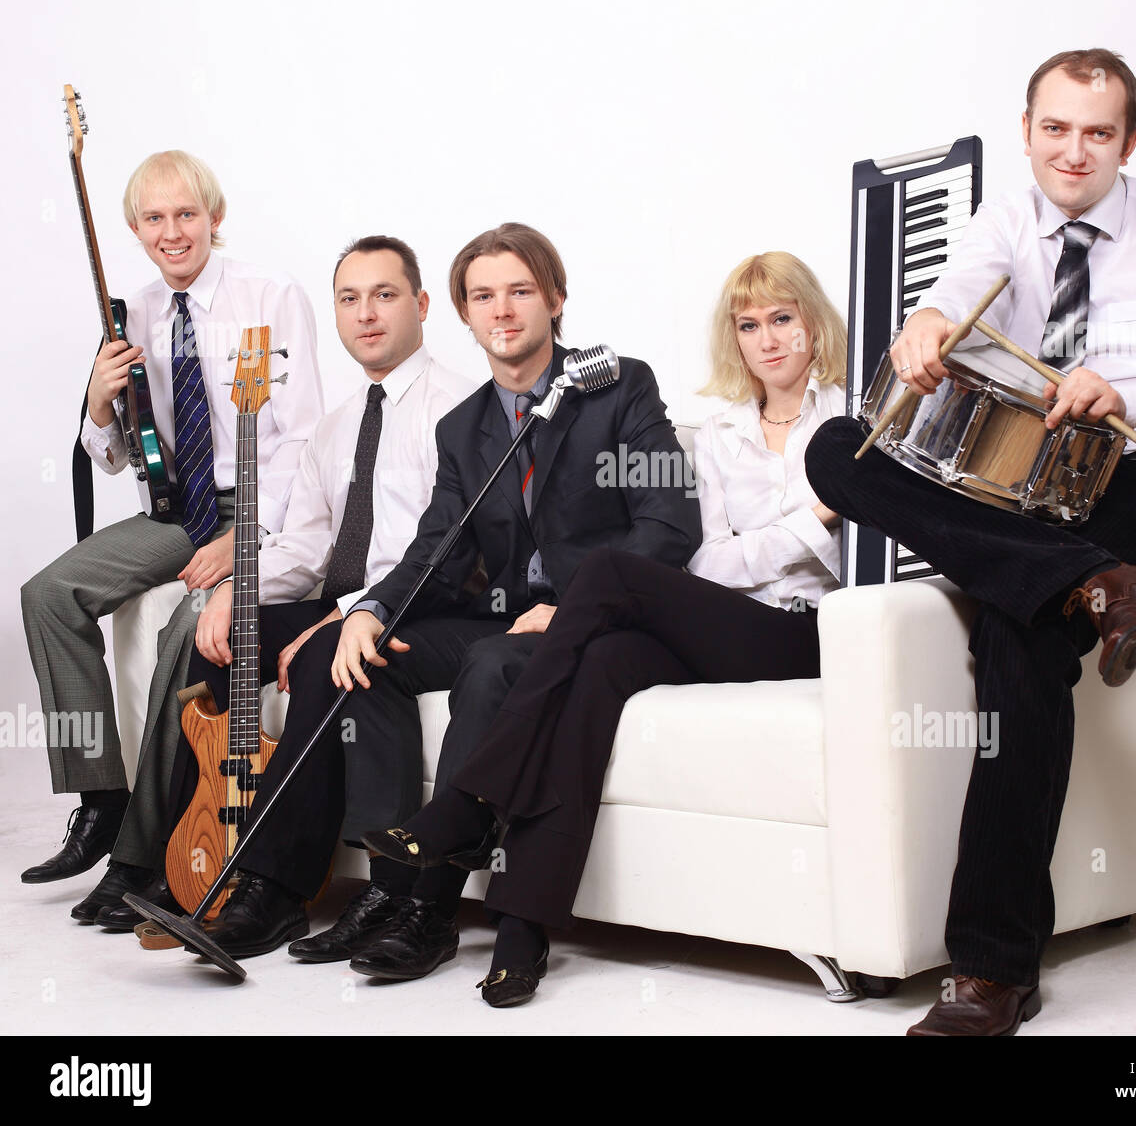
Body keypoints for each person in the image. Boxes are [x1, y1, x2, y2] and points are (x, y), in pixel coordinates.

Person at [804, 48, 1136, 1035]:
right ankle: (1095, 587)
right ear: (1027, 131)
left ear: (1127, 142)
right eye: (1055, 128)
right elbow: (964, 286)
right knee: (840, 446)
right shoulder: (1005, 220)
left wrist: (1126, 391)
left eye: (1097, 133)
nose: (1074, 150)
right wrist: (926, 326)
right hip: (1024, 497)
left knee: (1013, 641)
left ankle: (989, 973)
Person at [190, 222, 702, 963]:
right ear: (462, 312)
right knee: (356, 653)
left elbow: (670, 523)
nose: (503, 310)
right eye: (484, 296)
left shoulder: (618, 387)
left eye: (521, 291)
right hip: (505, 618)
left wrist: (574, 605)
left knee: (491, 662)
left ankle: (430, 909)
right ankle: (385, 886)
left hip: (606, 624)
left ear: (556, 299)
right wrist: (368, 612)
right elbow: (437, 545)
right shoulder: (464, 428)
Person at [361, 250, 848, 1004]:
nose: (768, 339)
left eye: (783, 319)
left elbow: (692, 540)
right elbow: (713, 563)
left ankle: (463, 803)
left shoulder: (851, 424)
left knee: (606, 577)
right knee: (595, 671)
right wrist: (813, 519)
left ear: (814, 323)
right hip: (720, 623)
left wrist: (801, 524)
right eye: (749, 325)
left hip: (809, 631)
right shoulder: (719, 432)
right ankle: (522, 927)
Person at [88, 235, 478, 934]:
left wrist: (343, 619)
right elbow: (305, 544)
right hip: (344, 600)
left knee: (331, 660)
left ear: (420, 304)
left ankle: (274, 892)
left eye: (384, 295)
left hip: (422, 606)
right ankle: (194, 862)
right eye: (349, 299)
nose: (366, 314)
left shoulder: (458, 411)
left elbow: (447, 554)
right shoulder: (337, 425)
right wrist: (241, 588)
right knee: (217, 644)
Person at [20, 151, 323, 917]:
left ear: (213, 218)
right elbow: (124, 456)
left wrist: (246, 538)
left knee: (188, 624)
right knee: (50, 592)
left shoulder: (269, 295)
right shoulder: (136, 314)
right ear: (134, 228)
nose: (172, 231)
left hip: (250, 506)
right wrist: (97, 404)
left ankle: (140, 854)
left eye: (186, 214)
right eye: (154, 218)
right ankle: (101, 800)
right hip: (174, 509)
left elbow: (301, 437)